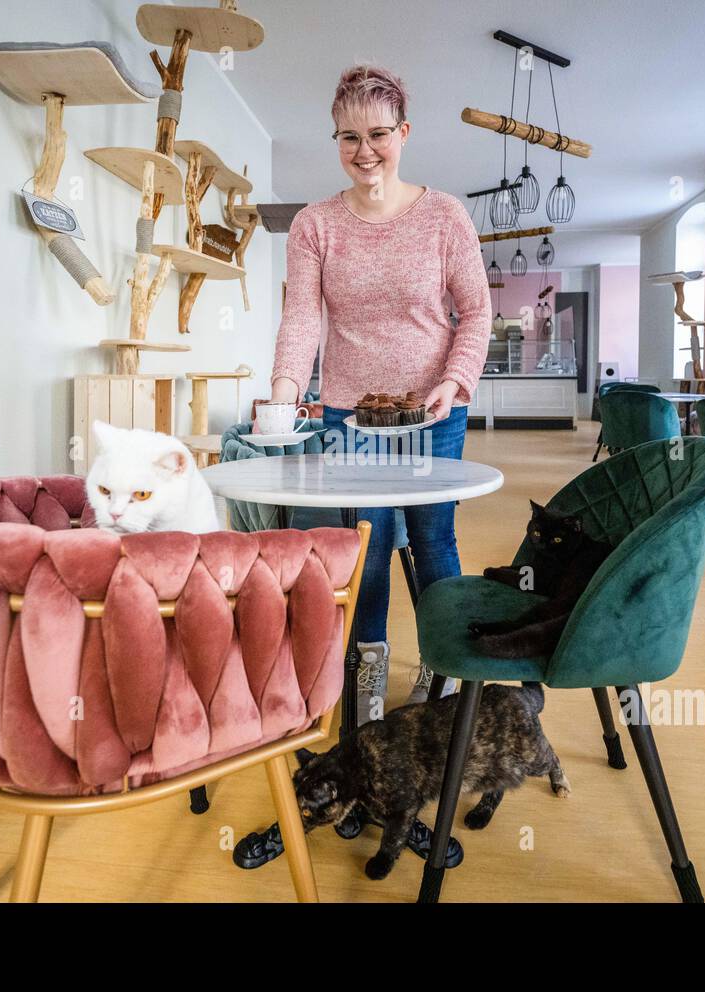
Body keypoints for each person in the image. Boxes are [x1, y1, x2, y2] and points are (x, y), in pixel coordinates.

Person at [269, 64, 491, 721]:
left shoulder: (446, 217)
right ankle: (368, 676)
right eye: (347, 137)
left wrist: (455, 380)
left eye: (377, 134)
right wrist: (284, 397)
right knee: (365, 547)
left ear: (404, 133)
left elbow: (475, 311)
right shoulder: (315, 225)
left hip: (433, 409)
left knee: (432, 540)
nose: (364, 151)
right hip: (349, 413)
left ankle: (443, 667)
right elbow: (302, 318)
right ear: (334, 140)